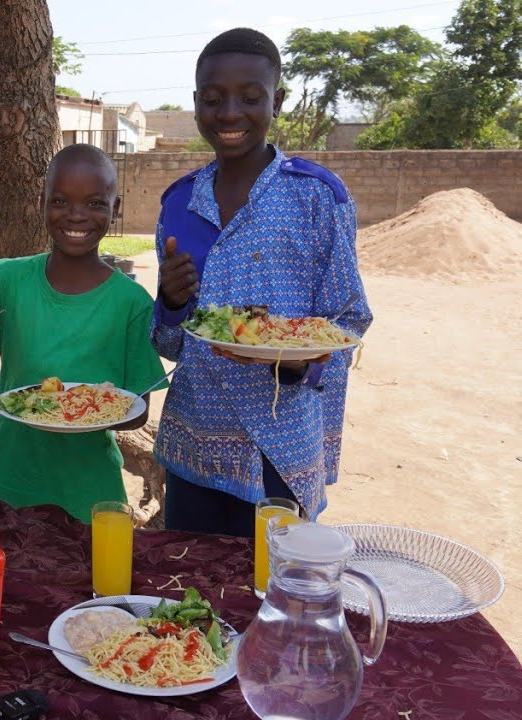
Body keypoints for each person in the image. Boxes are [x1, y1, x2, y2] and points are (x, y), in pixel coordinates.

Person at [151, 28, 373, 536]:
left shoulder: (317, 197)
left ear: (277, 101)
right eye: (213, 99)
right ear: (196, 104)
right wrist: (170, 302)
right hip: (196, 440)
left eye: (250, 98)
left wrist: (299, 364)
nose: (230, 112)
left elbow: (349, 316)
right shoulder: (178, 204)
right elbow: (169, 344)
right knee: (194, 588)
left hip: (283, 442)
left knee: (274, 589)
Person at [0, 144, 165, 522]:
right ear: (43, 203)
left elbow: (136, 413)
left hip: (91, 496)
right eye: (61, 200)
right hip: (10, 484)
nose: (76, 215)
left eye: (95, 203)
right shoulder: (8, 280)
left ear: (116, 209)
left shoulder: (132, 303)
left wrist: (87, 409)